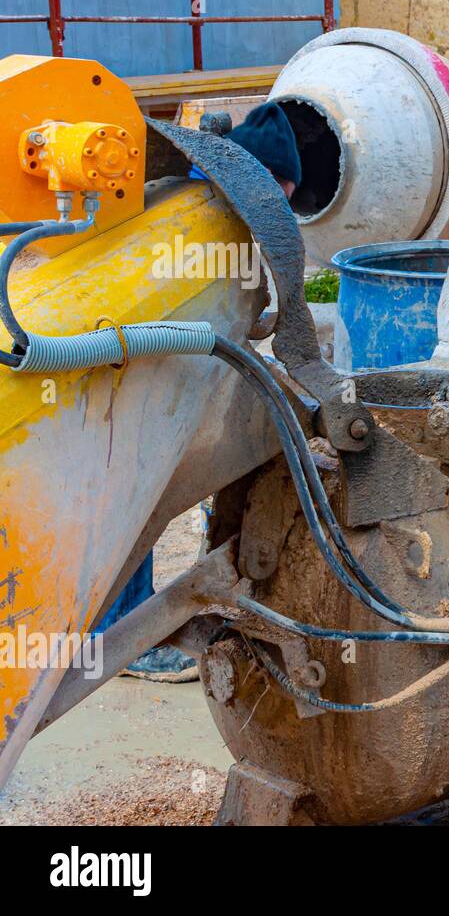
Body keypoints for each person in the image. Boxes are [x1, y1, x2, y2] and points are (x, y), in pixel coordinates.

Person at [106, 104, 303, 682]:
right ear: (258, 176)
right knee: (133, 498)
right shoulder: (204, 219)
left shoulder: (194, 196)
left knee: (150, 489)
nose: (280, 210)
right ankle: (126, 640)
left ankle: (178, 601)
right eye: (279, 195)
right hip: (128, 371)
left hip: (149, 366)